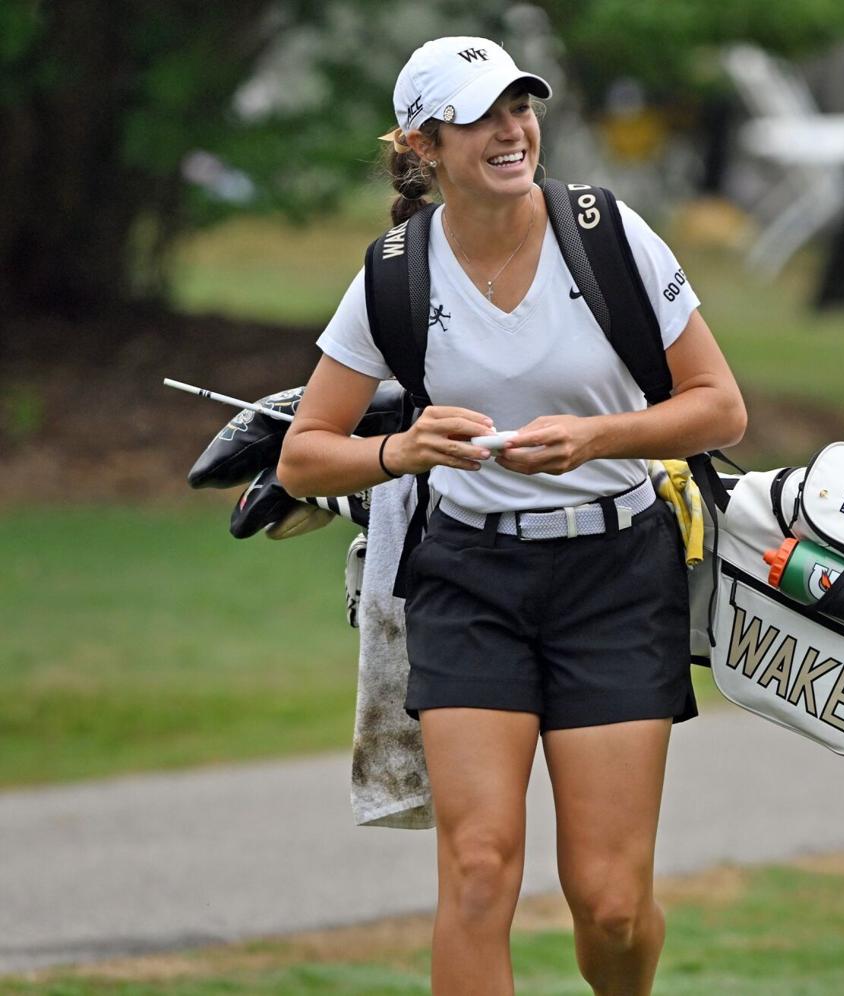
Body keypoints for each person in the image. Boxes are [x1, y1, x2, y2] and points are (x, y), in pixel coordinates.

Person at [277, 35, 746, 996]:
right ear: (425, 146)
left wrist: (595, 439)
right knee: (480, 870)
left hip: (616, 575)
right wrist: (397, 451)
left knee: (611, 902)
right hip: (468, 578)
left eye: (519, 108)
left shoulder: (607, 233)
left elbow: (719, 407)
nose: (511, 130)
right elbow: (303, 453)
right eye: (481, 116)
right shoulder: (397, 273)